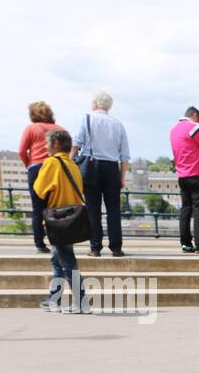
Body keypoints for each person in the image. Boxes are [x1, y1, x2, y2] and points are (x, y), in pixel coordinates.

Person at [32, 128, 88, 313]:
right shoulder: (72, 164)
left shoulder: (51, 163)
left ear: (56, 144)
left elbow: (39, 190)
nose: (46, 147)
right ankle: (54, 299)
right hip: (72, 218)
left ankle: (81, 302)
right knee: (57, 261)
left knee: (68, 262)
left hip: (57, 220)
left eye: (47, 143)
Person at [71, 90, 130, 258]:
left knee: (93, 208)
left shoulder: (87, 118)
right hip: (111, 167)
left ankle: (95, 247)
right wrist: (122, 177)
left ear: (95, 103)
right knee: (113, 209)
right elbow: (125, 156)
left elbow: (76, 144)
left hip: (91, 166)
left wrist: (69, 163)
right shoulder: (117, 124)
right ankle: (116, 247)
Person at [17, 102, 64, 254]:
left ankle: (39, 243)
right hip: (56, 167)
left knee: (38, 208)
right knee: (55, 207)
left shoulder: (31, 128)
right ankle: (58, 240)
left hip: (36, 168)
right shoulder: (60, 129)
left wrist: (29, 165)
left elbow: (22, 151)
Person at [170, 106, 199, 254]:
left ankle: (185, 243)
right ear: (195, 116)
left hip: (182, 175)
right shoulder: (194, 127)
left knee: (186, 209)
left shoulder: (174, 130)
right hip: (198, 174)